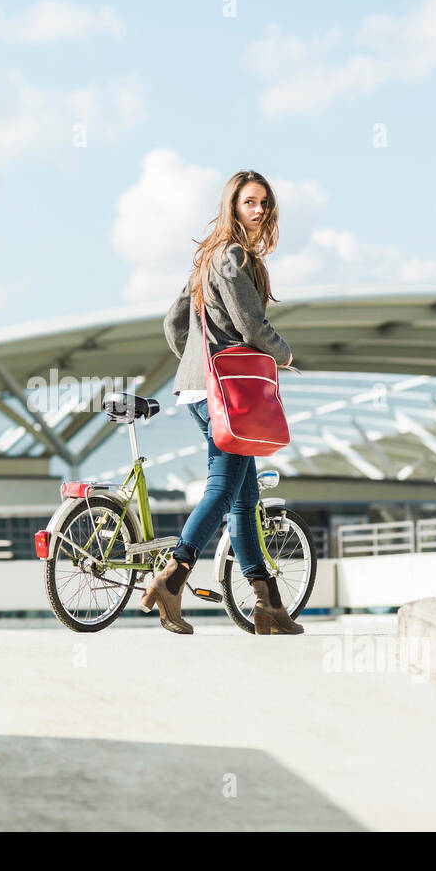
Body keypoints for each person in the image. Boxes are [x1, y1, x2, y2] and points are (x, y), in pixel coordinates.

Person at [142, 170, 303, 636]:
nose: (260, 211)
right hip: (223, 395)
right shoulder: (232, 255)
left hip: (201, 388)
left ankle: (267, 603)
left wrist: (196, 364)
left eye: (265, 204)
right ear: (232, 206)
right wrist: (285, 354)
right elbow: (250, 326)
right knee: (221, 490)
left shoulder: (206, 258)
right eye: (251, 202)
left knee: (243, 496)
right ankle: (173, 577)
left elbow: (174, 322)